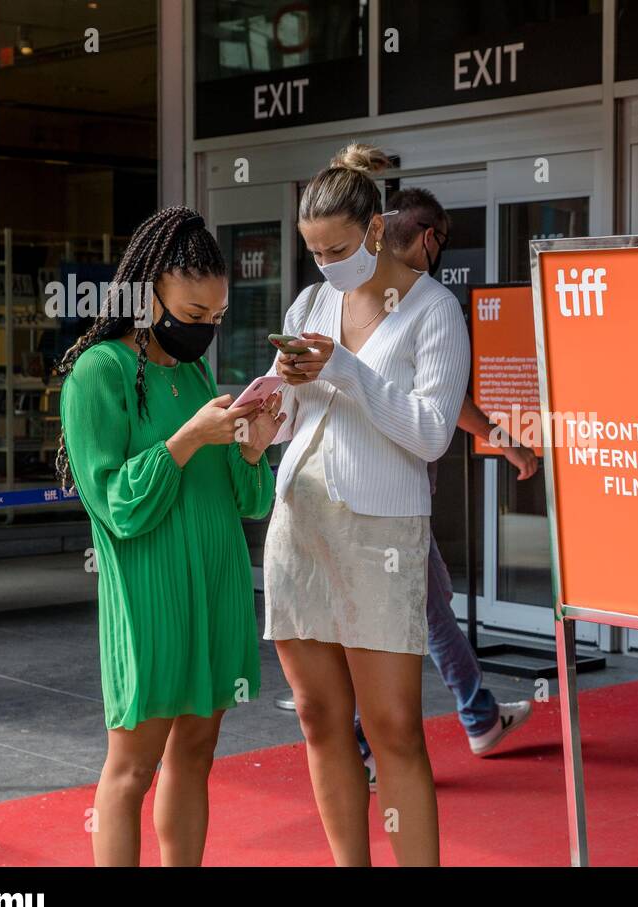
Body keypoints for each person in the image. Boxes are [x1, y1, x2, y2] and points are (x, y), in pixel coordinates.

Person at [262, 143, 470, 867]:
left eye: (337, 248)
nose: (325, 265)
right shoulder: (311, 301)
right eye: (314, 251)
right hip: (300, 521)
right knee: (320, 719)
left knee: (393, 728)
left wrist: (344, 368)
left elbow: (432, 434)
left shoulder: (433, 309)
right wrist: (263, 416)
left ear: (376, 230)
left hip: (382, 529)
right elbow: (293, 412)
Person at [55, 207, 282, 866]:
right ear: (148, 292)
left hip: (214, 586)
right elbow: (115, 505)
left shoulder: (194, 374)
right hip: (149, 595)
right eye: (191, 314)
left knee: (197, 754)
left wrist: (251, 448)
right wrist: (185, 441)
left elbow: (244, 499)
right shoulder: (97, 372)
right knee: (130, 770)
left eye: (215, 319)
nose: (203, 330)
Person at [352, 187, 538, 789]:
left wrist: (501, 439)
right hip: (386, 497)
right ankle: (370, 741)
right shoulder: (420, 304)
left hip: (376, 495)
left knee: (423, 609)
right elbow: (442, 402)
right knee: (403, 618)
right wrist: (505, 439)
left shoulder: (368, 298)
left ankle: (476, 716)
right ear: (428, 238)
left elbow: (442, 402)